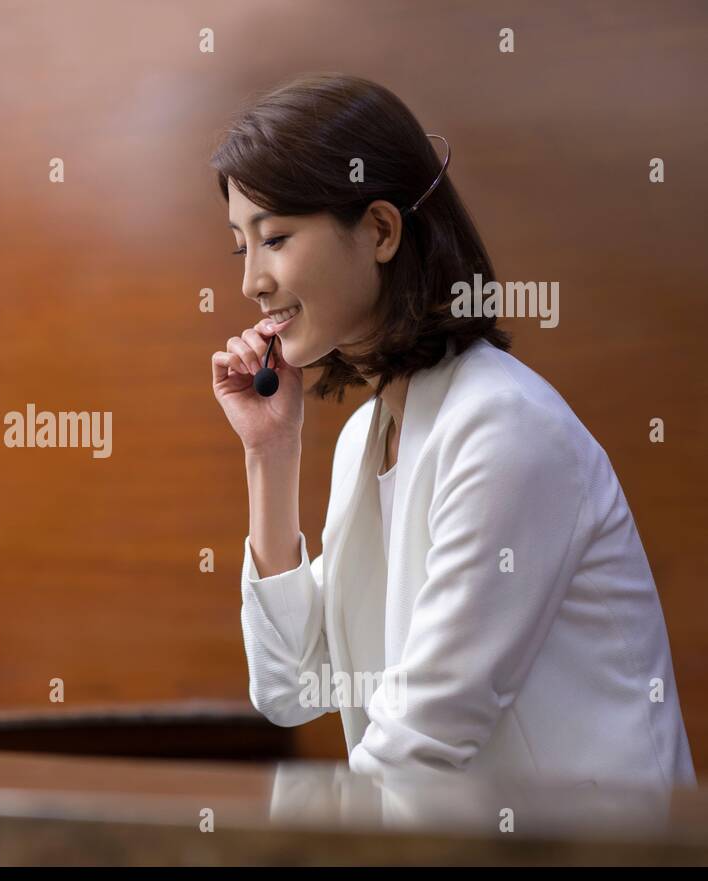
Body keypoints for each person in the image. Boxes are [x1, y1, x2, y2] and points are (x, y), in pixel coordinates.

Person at [209, 73, 695, 788]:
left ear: (379, 230)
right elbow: (288, 691)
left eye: (276, 237)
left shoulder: (502, 428)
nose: (252, 280)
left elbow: (421, 734)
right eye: (239, 248)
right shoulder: (367, 438)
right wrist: (269, 454)